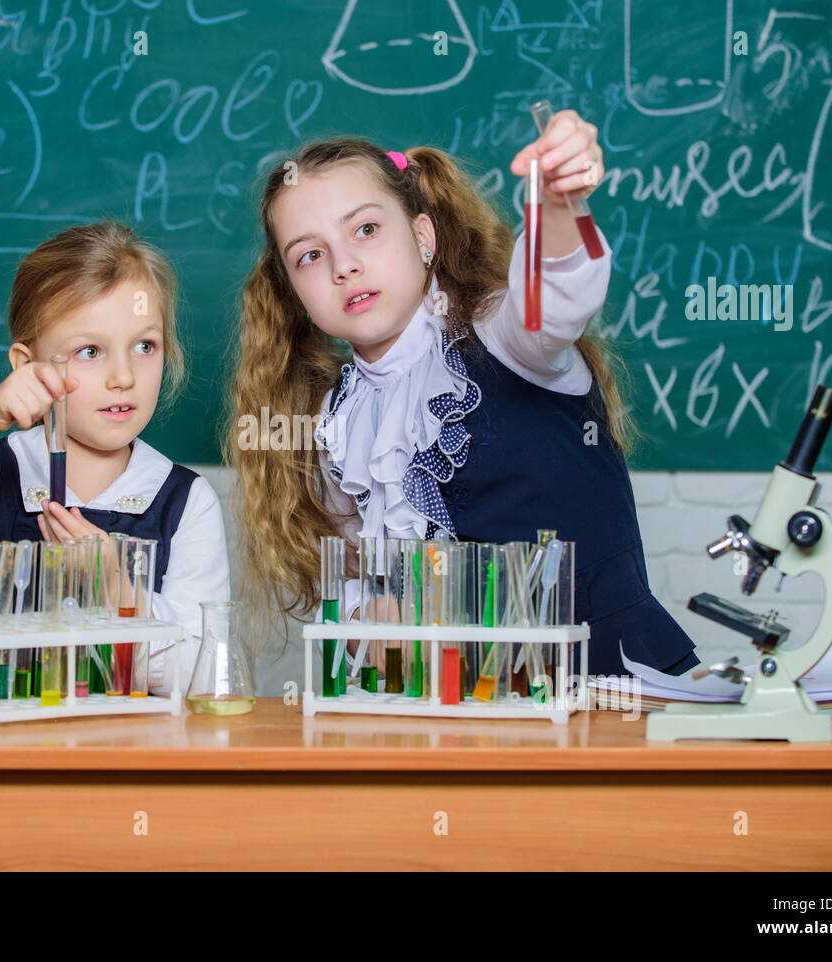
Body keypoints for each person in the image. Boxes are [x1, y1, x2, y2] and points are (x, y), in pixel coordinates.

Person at [225, 119, 698, 676]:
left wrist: (557, 208)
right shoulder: (336, 421)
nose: (343, 265)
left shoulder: (504, 333)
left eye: (367, 229)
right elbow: (357, 575)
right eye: (309, 256)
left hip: (612, 687)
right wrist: (367, 617)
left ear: (423, 237)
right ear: (294, 293)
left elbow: (558, 296)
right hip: (463, 712)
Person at [0, 221, 229, 693]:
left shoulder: (184, 501)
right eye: (89, 350)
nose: (123, 375)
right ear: (27, 367)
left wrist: (117, 587)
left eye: (145, 346)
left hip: (107, 760)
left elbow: (202, 678)